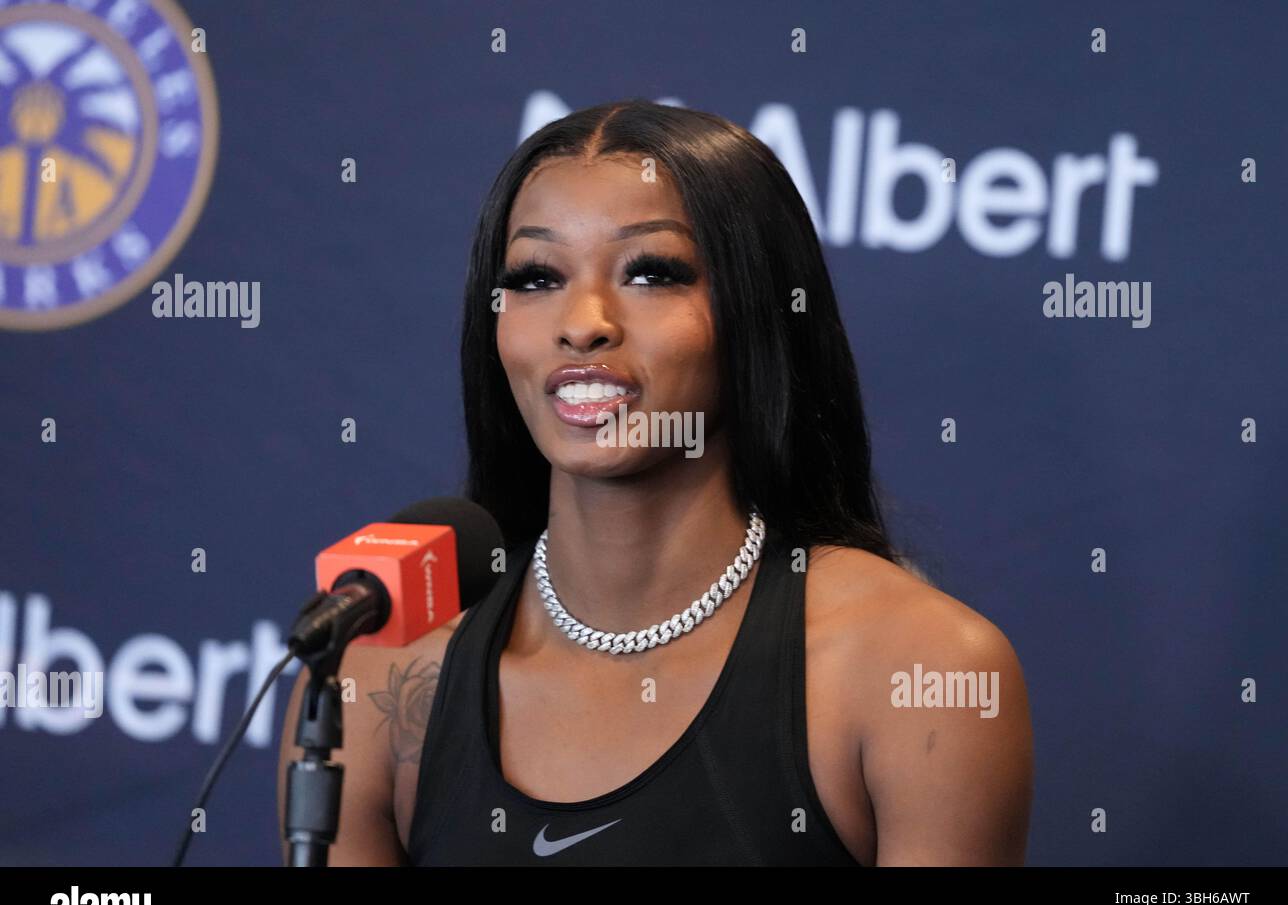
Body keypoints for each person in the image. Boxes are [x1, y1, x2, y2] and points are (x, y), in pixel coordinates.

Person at [277, 98, 1033, 866]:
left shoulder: (923, 669)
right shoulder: (377, 678)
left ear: (755, 312)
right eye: (536, 277)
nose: (583, 322)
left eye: (651, 272)